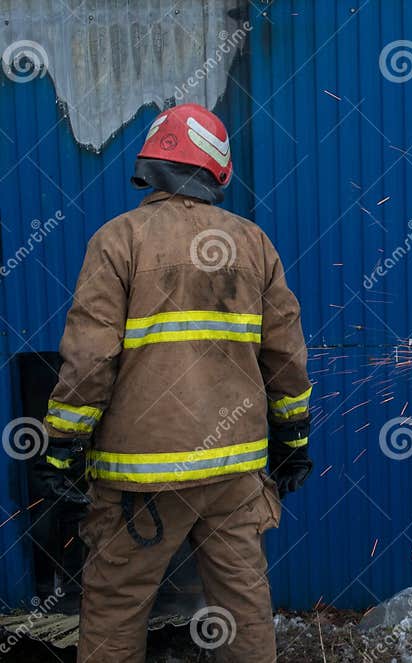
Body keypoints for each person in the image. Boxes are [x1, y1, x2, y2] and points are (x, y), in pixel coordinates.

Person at [37, 103, 313, 662]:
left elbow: (90, 360)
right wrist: (293, 441)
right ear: (217, 169)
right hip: (235, 473)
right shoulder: (253, 244)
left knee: (115, 611)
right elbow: (285, 356)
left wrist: (62, 448)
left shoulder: (118, 241)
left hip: (140, 479)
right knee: (243, 611)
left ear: (151, 166)